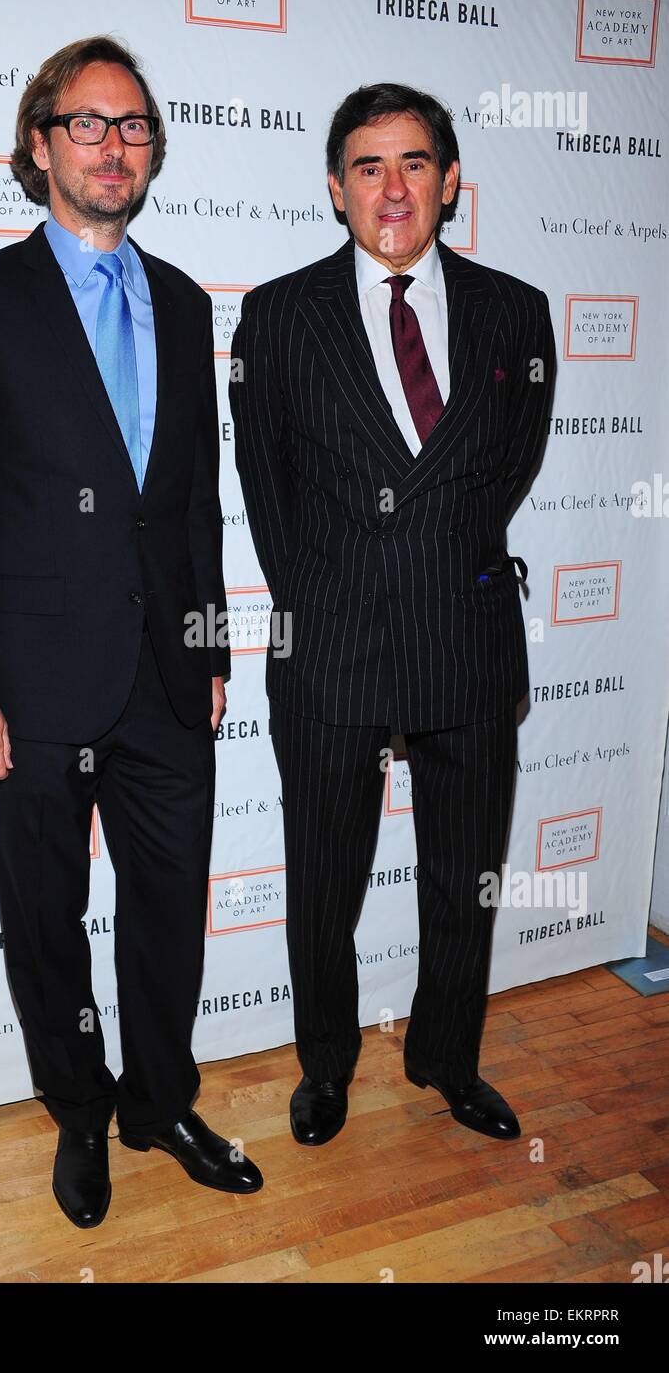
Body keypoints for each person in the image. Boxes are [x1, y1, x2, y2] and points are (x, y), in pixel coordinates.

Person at [0, 35, 262, 1228]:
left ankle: (161, 1100)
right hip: (28, 685)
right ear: (39, 144)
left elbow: (195, 505)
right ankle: (79, 1109)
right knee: (49, 923)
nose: (114, 146)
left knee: (171, 907)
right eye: (89, 124)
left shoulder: (183, 299)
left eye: (133, 128)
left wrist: (210, 649)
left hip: (166, 679)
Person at [229, 82, 556, 1147]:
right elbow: (268, 490)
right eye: (368, 166)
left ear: (451, 180)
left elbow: (502, 470)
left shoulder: (517, 311)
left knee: (466, 874)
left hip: (464, 632)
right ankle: (326, 1066)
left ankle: (448, 1057)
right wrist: (321, 601)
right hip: (333, 645)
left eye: (415, 161)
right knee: (326, 880)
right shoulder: (278, 316)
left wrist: (438, 561)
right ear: (335, 188)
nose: (393, 185)